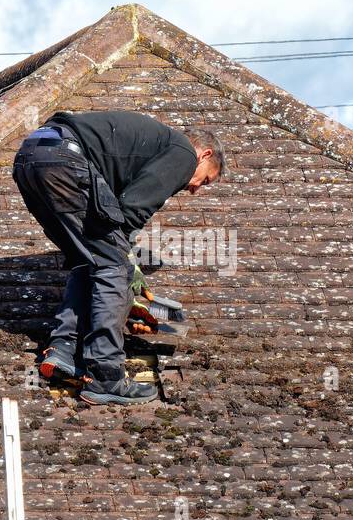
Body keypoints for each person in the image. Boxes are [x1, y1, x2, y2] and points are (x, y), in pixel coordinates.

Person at [12, 110, 224, 404]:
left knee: (90, 260)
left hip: (31, 158)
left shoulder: (146, 150)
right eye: (206, 180)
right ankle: (105, 376)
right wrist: (127, 273)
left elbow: (112, 223)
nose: (195, 189)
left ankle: (61, 349)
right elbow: (132, 210)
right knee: (114, 266)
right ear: (204, 154)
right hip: (64, 159)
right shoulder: (184, 152)